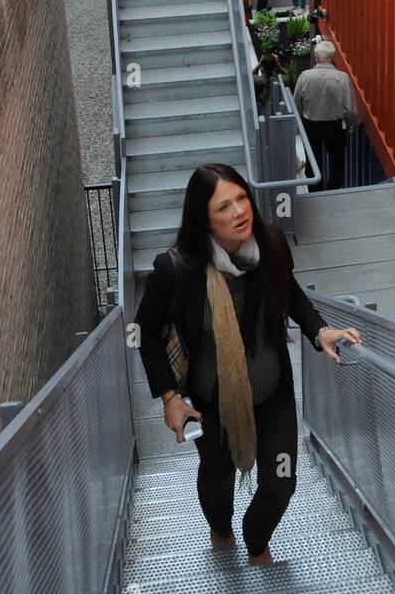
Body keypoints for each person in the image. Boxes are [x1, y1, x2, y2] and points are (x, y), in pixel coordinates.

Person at [134, 163, 361, 565]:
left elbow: (289, 293)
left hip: (272, 391)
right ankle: (220, 530)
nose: (240, 211)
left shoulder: (270, 243)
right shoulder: (175, 270)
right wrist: (170, 396)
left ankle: (256, 541)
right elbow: (146, 332)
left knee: (282, 480)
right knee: (217, 477)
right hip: (209, 399)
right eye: (224, 206)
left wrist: (319, 330)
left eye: (242, 198)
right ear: (203, 220)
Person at [293, 41, 359, 192]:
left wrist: (301, 121)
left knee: (312, 160)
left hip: (311, 125)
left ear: (315, 56)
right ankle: (333, 190)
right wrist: (354, 123)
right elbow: (350, 109)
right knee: (337, 161)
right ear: (332, 57)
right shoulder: (342, 78)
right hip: (335, 126)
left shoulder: (304, 76)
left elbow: (296, 102)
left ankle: (315, 191)